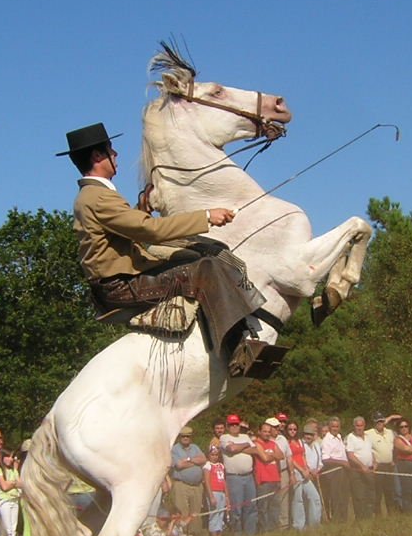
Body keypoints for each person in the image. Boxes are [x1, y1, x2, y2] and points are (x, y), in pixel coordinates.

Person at [59, 121, 282, 377]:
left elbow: (125, 230)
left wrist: (141, 208)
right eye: (111, 150)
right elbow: (151, 230)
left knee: (196, 254)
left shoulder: (94, 195)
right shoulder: (97, 197)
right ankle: (238, 352)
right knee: (206, 268)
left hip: (122, 280)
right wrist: (207, 216)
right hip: (121, 287)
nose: (116, 154)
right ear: (98, 156)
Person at [219, 414, 257, 536]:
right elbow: (232, 449)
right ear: (227, 426)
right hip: (234, 477)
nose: (234, 427)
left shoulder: (245, 436)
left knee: (251, 506)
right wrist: (246, 445)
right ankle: (237, 535)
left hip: (249, 476)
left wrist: (238, 447)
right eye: (232, 425)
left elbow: (255, 450)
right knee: (236, 508)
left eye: (236, 424)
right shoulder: (224, 437)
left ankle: (250, 533)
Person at [169, 427, 206, 536]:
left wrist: (188, 460)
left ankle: (195, 535)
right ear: (179, 437)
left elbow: (204, 459)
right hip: (182, 485)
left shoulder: (195, 447)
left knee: (196, 512)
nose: (185, 438)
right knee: (182, 511)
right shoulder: (175, 449)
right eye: (183, 436)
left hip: (197, 486)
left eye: (188, 436)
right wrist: (195, 462)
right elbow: (179, 465)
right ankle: (183, 535)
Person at [290, 423, 322, 530]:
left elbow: (302, 456)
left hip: (304, 472)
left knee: (315, 497)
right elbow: (290, 459)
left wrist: (306, 469)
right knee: (298, 499)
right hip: (296, 471)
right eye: (306, 434)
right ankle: (299, 526)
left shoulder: (298, 442)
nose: (308, 436)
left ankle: (314, 524)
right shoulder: (287, 442)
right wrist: (301, 470)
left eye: (310, 434)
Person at [252, 421, 282, 533]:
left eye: (269, 431)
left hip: (275, 478)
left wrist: (272, 455)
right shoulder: (256, 443)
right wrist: (274, 455)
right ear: (259, 432)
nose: (267, 434)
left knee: (274, 506)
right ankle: (263, 531)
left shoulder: (273, 443)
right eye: (264, 431)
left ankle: (274, 529)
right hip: (263, 479)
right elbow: (264, 458)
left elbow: (281, 455)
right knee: (263, 507)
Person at [366, 413, 398, 515]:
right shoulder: (368, 434)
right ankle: (378, 515)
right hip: (378, 467)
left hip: (390, 466)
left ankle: (391, 513)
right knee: (377, 492)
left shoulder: (390, 433)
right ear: (374, 422)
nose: (380, 423)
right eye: (377, 421)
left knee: (390, 491)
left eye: (381, 421)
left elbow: (397, 445)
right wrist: (373, 460)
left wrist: (394, 459)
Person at [320, 417, 351, 522]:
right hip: (333, 471)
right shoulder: (326, 440)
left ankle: (344, 518)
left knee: (344, 495)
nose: (335, 428)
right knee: (335, 495)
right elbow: (325, 459)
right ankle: (336, 519)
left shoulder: (339, 437)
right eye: (333, 426)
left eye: (337, 426)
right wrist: (341, 463)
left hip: (344, 470)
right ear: (329, 427)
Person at [345, 417, 375, 520]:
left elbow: (371, 451)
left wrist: (375, 462)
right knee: (359, 495)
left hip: (369, 470)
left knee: (369, 494)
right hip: (357, 471)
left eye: (361, 425)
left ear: (364, 425)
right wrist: (362, 466)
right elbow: (350, 455)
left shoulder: (368, 437)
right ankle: (360, 518)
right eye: (357, 426)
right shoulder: (350, 437)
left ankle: (369, 517)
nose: (359, 428)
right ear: (354, 426)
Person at [0, 449, 21, 536]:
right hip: (5, 500)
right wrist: (13, 483)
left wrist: (12, 480)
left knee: (13, 529)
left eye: (12, 457)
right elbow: (4, 486)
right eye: (8, 457)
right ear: (2, 458)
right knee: (7, 529)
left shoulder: (13, 470)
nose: (10, 459)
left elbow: (20, 483)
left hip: (15, 499)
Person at [202, 445, 229, 536]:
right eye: (212, 455)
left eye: (216, 455)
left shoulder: (221, 466)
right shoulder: (207, 466)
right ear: (209, 455)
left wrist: (227, 496)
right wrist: (211, 496)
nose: (215, 457)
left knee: (221, 514)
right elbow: (207, 481)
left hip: (221, 492)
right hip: (214, 492)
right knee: (214, 514)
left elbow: (224, 481)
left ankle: (219, 534)